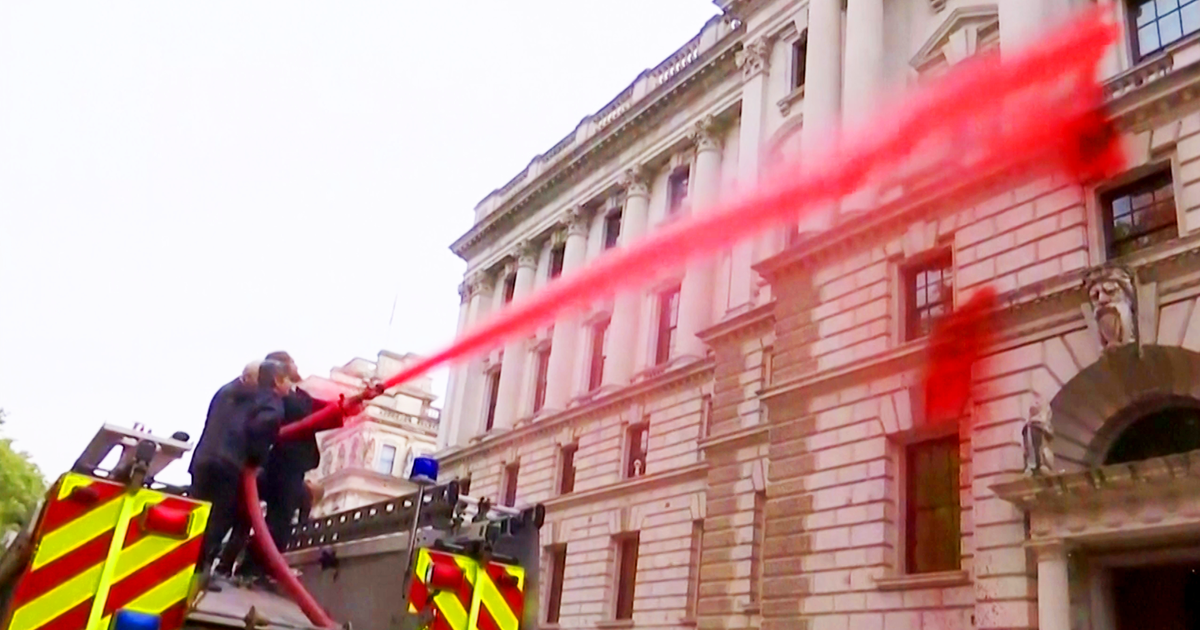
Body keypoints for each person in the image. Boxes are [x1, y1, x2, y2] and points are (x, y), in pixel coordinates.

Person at [190, 359, 290, 589]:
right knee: (218, 519)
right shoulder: (256, 400)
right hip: (228, 464)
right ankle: (198, 573)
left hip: (203, 459)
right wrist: (256, 458)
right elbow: (257, 429)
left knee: (197, 515)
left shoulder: (224, 392)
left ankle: (183, 567)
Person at [236, 351, 329, 584]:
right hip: (283, 463)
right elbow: (308, 413)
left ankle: (260, 566)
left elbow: (322, 409)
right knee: (279, 519)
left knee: (282, 518)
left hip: (294, 465)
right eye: (293, 363)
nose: (298, 367)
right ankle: (255, 568)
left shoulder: (298, 395)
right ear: (282, 371)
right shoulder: (279, 397)